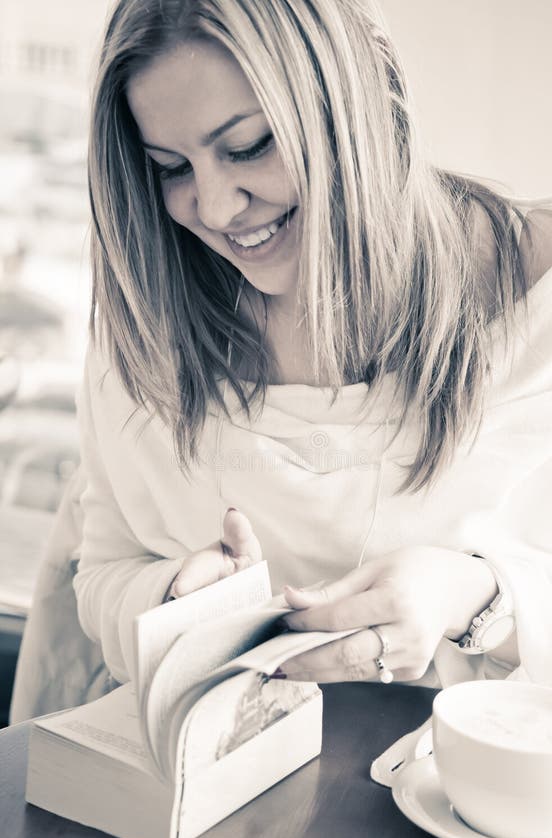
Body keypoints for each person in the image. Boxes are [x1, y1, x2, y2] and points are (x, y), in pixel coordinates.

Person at [71, 0, 551, 694]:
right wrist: (171, 596)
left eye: (249, 146)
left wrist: (473, 595)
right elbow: (103, 573)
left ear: (369, 91)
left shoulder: (534, 296)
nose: (214, 208)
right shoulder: (146, 317)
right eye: (171, 166)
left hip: (470, 789)